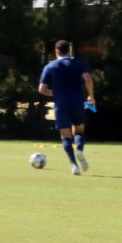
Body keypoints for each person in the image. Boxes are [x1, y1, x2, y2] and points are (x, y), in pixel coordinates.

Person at [38, 41, 94, 174]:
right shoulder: (78, 64)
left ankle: (74, 165)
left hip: (61, 104)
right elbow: (88, 79)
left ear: (56, 52)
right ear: (69, 51)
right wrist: (91, 96)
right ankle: (79, 150)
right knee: (79, 131)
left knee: (65, 136)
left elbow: (42, 89)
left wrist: (54, 93)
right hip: (77, 102)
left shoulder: (50, 66)